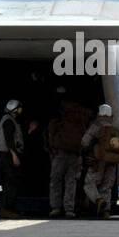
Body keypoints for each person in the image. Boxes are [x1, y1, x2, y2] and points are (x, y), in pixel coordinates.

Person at [45, 89, 88, 218]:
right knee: (71, 182)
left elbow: (51, 133)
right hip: (75, 154)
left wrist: (52, 149)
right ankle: (69, 209)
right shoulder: (80, 118)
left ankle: (56, 208)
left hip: (60, 154)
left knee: (56, 181)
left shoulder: (60, 117)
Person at [81, 103, 119, 218]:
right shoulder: (115, 127)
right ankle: (106, 211)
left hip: (97, 162)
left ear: (99, 113)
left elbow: (84, 142)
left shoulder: (96, 126)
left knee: (89, 184)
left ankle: (98, 200)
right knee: (106, 186)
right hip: (112, 162)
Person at [0, 99, 25, 218]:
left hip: (8, 154)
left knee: (12, 181)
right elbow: (9, 140)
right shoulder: (8, 122)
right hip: (8, 155)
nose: (20, 111)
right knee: (10, 182)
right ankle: (6, 208)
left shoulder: (9, 120)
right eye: (19, 109)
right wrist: (14, 155)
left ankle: (10, 208)